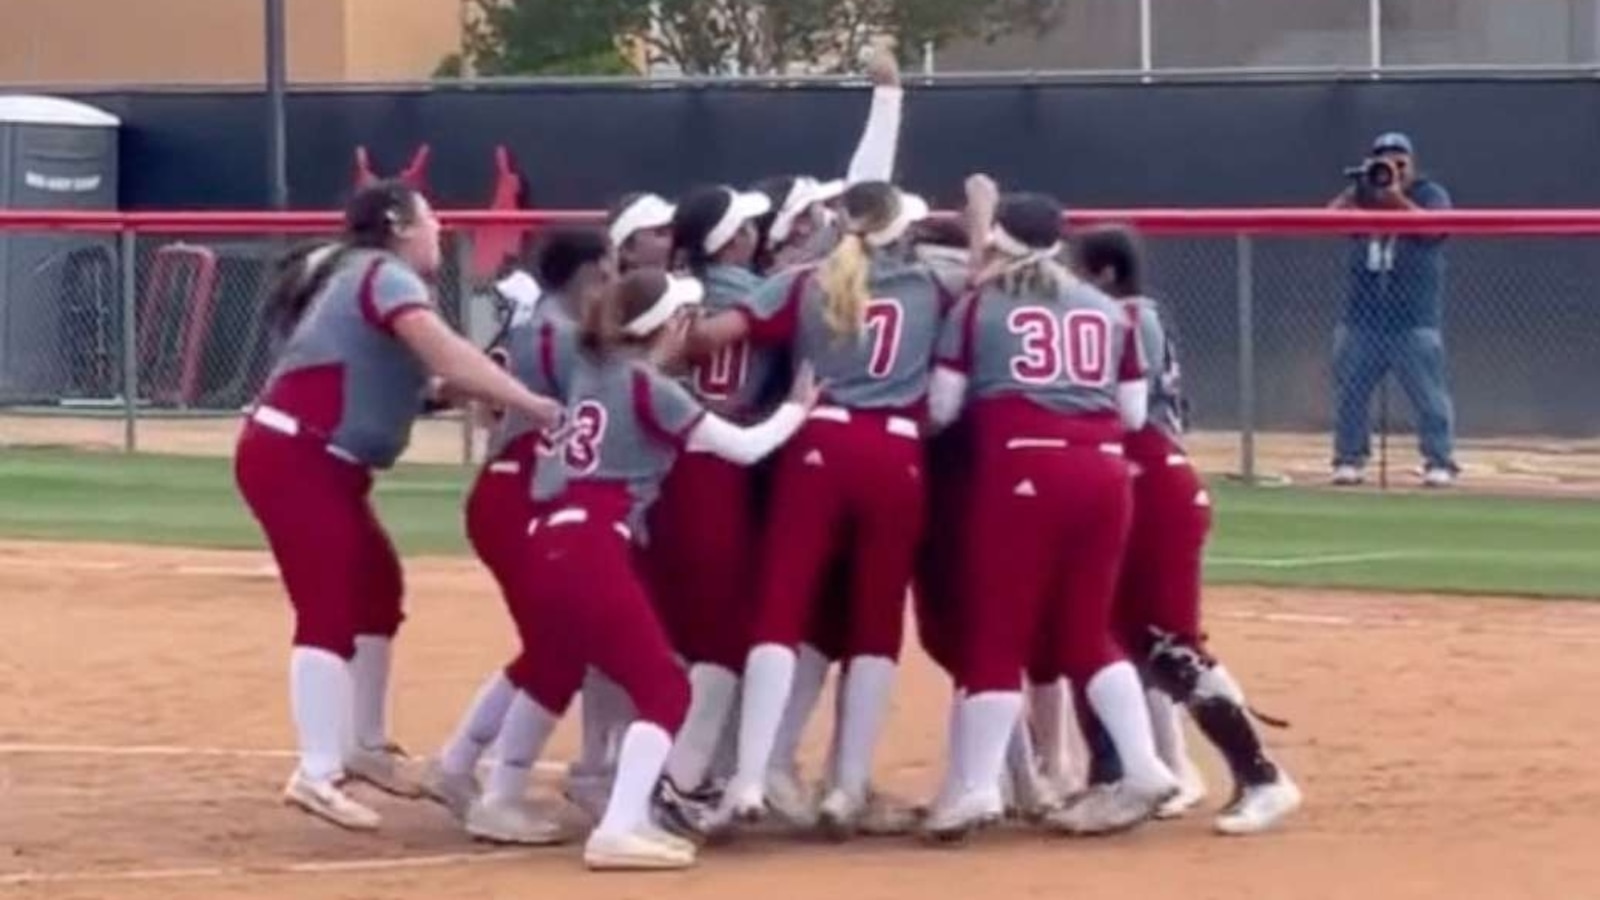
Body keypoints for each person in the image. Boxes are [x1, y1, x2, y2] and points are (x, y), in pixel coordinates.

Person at [234, 179, 566, 831]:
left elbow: (424, 383)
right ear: (399, 225)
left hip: (321, 461)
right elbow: (446, 355)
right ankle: (317, 770)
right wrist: (530, 402)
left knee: (378, 591)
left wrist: (479, 389)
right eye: (430, 217)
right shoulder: (384, 274)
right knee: (329, 609)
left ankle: (365, 745)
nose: (440, 228)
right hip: (298, 457)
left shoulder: (366, 274)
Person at [498, 267, 819, 869]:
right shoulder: (649, 386)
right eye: (684, 318)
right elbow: (745, 447)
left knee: (557, 666)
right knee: (665, 688)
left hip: (551, 537)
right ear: (666, 325)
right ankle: (620, 826)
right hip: (593, 543)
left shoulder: (595, 372)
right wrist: (797, 410)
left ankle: (500, 793)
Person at [917, 180, 1178, 841]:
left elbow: (943, 407)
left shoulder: (978, 307)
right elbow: (1133, 414)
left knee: (996, 632)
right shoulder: (1108, 310)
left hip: (1022, 469)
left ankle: (977, 788)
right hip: (1104, 472)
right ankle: (1145, 765)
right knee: (1085, 632)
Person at [707, 181, 948, 838]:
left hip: (815, 443)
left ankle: (750, 775)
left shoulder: (803, 281)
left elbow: (719, 333)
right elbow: (986, 275)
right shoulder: (933, 285)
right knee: (875, 622)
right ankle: (847, 786)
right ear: (900, 229)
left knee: (781, 607)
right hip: (896, 453)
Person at [1075, 222, 1303, 836]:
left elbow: (1126, 406)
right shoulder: (1134, 314)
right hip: (1139, 475)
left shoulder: (1126, 317)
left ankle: (1263, 777)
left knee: (1169, 645)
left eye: (1080, 268)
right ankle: (1150, 772)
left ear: (1104, 273)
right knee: (1122, 636)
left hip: (1154, 480)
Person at [421, 227, 612, 844]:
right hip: (519, 494)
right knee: (561, 648)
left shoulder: (543, 326)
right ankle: (497, 793)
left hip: (517, 490)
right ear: (587, 275)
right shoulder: (559, 334)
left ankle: (457, 764)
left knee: (554, 645)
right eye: (607, 272)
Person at [641, 184, 778, 811]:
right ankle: (682, 777)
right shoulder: (755, 294)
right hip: (719, 466)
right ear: (733, 239)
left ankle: (660, 766)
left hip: (663, 469)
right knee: (724, 636)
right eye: (745, 228)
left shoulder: (672, 292)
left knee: (680, 627)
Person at [1328, 131, 1458, 488]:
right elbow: (1327, 219)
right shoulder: (1364, 194)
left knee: (1429, 397)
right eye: (1384, 160)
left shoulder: (1429, 193)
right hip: (1362, 317)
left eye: (1399, 161)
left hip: (1413, 318)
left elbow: (1433, 230)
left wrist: (1394, 195)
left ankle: (1439, 461)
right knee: (1350, 393)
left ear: (1412, 163)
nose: (1391, 168)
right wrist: (1357, 190)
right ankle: (1349, 459)